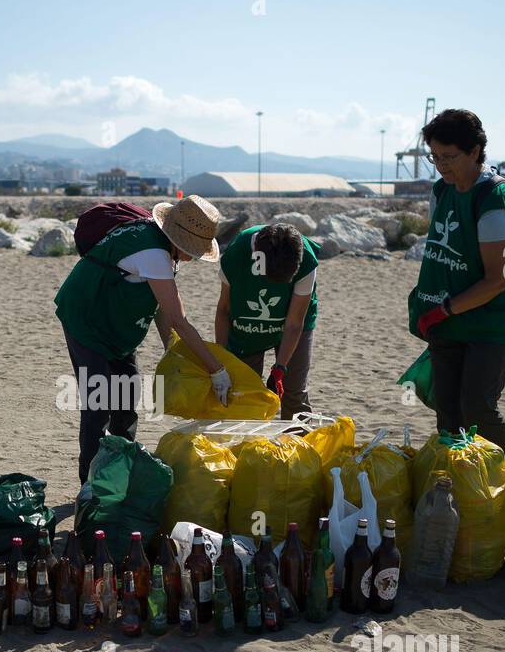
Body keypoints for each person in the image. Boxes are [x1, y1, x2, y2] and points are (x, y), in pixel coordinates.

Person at [55, 194, 231, 483]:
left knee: (126, 400)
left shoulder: (159, 245)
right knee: (99, 403)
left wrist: (171, 349)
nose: (195, 257)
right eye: (194, 251)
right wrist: (217, 370)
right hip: (85, 319)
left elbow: (163, 308)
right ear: (179, 240)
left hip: (117, 325)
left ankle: (119, 475)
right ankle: (90, 485)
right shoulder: (153, 253)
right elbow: (179, 319)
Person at [408, 108, 505, 472]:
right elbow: (443, 254)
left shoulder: (495, 199)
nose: (441, 165)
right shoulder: (442, 190)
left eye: (449, 157)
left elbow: (498, 279)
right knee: (447, 409)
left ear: (475, 151)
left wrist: (444, 309)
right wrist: (426, 305)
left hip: (492, 323)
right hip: (448, 318)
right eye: (435, 157)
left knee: (477, 406)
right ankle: (460, 484)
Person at [215, 222, 321, 420]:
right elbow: (223, 309)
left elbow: (294, 322)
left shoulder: (305, 258)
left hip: (293, 324)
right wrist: (221, 362)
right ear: (257, 257)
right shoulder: (236, 254)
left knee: (294, 392)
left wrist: (280, 368)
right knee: (244, 392)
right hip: (247, 322)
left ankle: (298, 444)